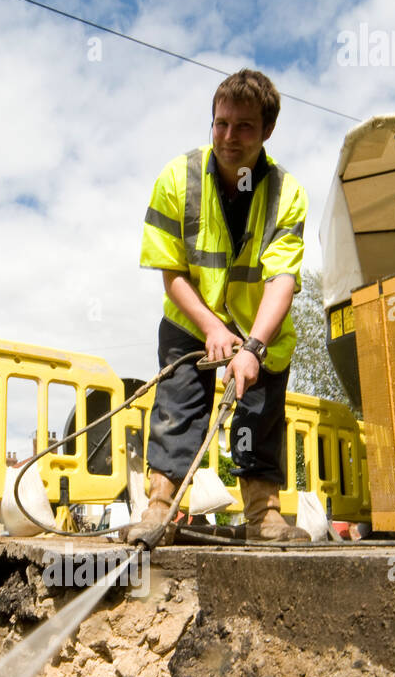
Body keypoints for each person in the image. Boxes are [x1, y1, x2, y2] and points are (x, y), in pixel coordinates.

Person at [128, 68, 311, 544]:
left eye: (244, 126)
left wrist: (252, 346)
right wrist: (210, 326)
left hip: (258, 325)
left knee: (260, 411)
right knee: (178, 406)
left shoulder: (287, 194)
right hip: (190, 317)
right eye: (220, 124)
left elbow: (282, 279)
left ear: (267, 130)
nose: (229, 137)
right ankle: (159, 509)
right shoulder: (176, 179)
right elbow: (171, 273)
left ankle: (263, 515)